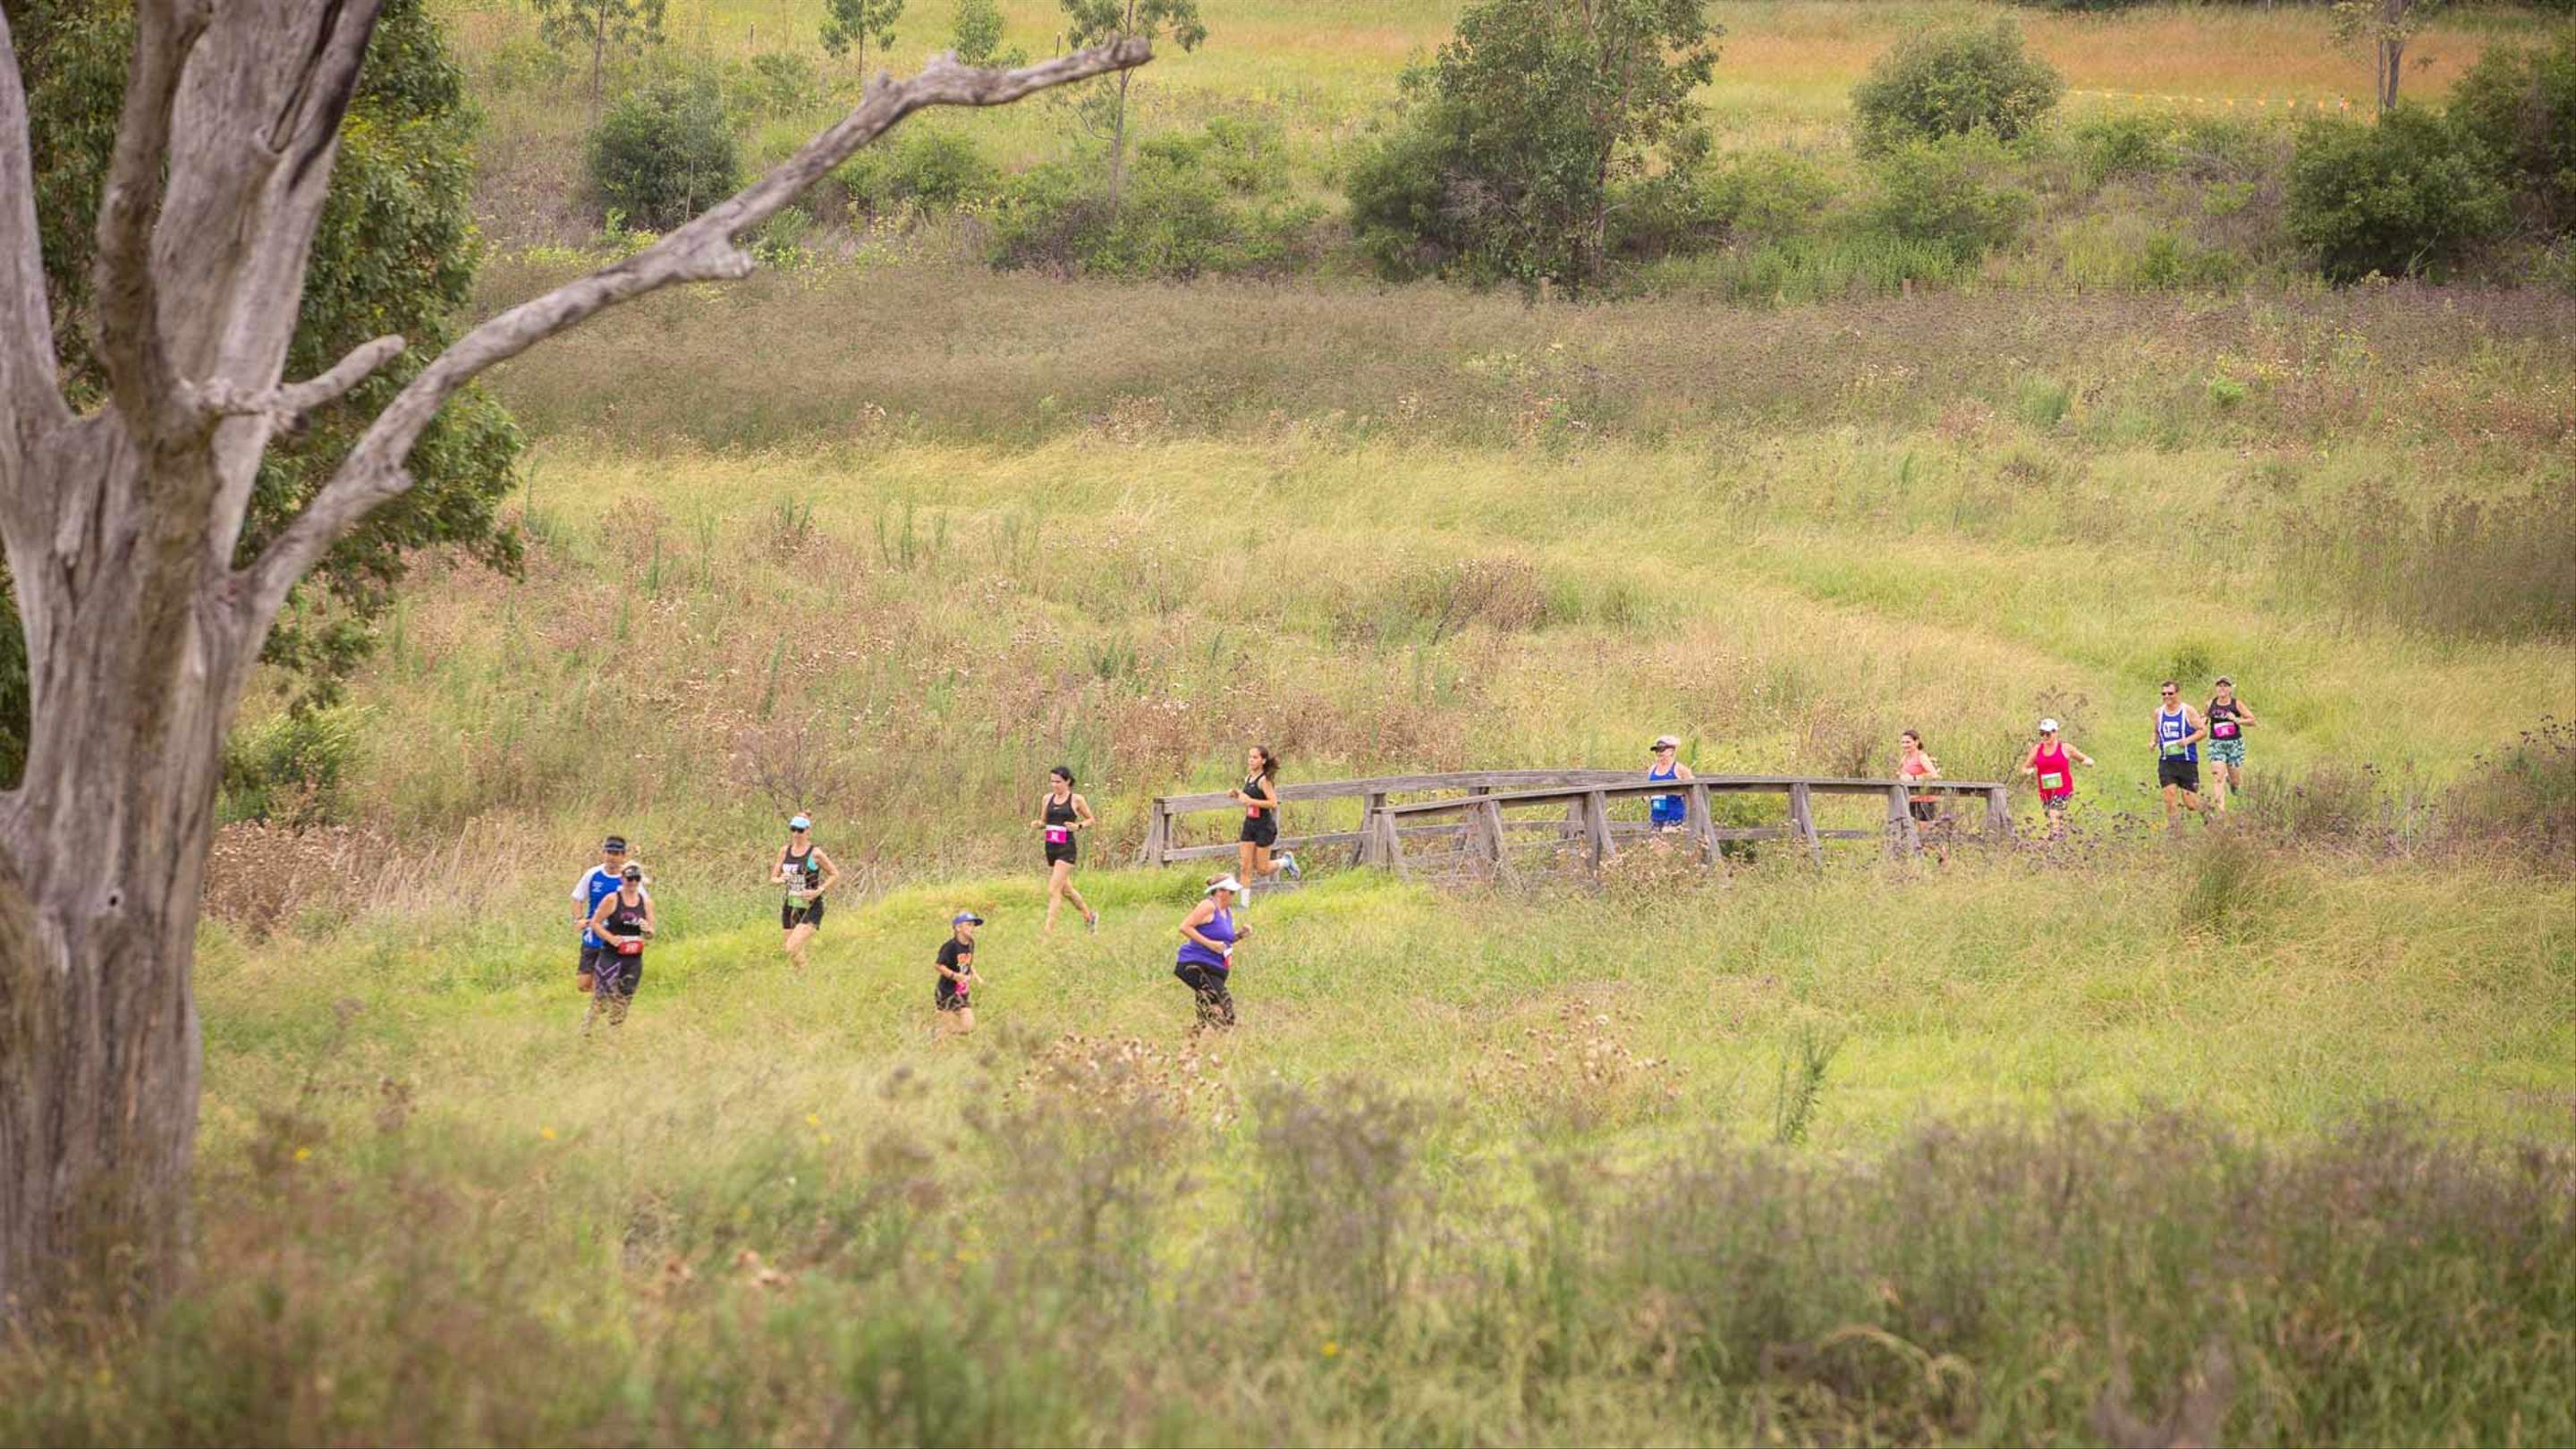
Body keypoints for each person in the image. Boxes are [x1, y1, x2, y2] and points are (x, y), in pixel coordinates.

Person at [581, 861, 655, 1034]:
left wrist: (647, 929)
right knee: (603, 997)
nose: (633, 883)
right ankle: (587, 1028)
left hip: (634, 957)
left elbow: (652, 932)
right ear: (622, 879)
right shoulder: (612, 899)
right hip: (611, 955)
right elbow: (595, 923)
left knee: (625, 997)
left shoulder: (646, 903)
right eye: (630, 879)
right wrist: (611, 938)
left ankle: (614, 1034)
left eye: (637, 879)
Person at [1174, 875, 1248, 1031]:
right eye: (1232, 892)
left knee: (1205, 1012)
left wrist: (1240, 935)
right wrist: (1210, 944)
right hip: (1196, 964)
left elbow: (1224, 941)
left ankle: (1195, 1043)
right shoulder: (1208, 906)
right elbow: (1185, 927)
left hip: (1216, 968)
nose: (1234, 896)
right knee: (1225, 1008)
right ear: (1220, 892)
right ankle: (1218, 1042)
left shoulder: (1227, 911)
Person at [1032, 767, 1099, 935]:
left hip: (1067, 848)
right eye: (1052, 781)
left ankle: (1047, 933)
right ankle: (1089, 917)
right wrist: (1038, 824)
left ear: (1067, 781)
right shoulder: (1047, 798)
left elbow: (1091, 819)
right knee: (1067, 890)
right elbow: (1044, 821)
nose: (1054, 785)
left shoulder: (1076, 799)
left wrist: (1078, 826)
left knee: (1053, 890)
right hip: (1051, 846)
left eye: (1058, 782)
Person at [773, 815, 841, 970]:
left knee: (792, 947)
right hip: (791, 905)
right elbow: (773, 878)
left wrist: (820, 890)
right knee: (792, 952)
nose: (796, 834)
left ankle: (806, 976)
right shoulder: (784, 851)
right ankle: (803, 978)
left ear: (808, 831)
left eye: (800, 830)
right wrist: (781, 879)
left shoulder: (815, 853)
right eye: (793, 829)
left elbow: (835, 874)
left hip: (811, 906)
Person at [1232, 745, 1297, 902]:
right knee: (1245, 867)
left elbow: (1273, 803)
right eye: (1250, 757)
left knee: (1262, 869)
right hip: (1249, 824)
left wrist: (1250, 800)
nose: (1251, 760)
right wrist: (1237, 794)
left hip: (1264, 827)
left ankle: (1286, 861)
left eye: (1255, 757)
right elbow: (1248, 799)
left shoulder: (1264, 780)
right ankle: (1244, 905)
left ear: (1263, 760)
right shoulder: (1248, 778)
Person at [568, 834, 631, 995]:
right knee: (583, 985)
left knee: (601, 982)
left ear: (623, 856)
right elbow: (577, 898)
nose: (612, 857)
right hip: (592, 935)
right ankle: (606, 998)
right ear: (604, 853)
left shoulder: (628, 878)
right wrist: (578, 919)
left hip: (615, 937)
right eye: (609, 852)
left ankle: (599, 1007)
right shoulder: (593, 874)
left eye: (616, 854)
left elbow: (642, 901)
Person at [2020, 719, 2094, 838]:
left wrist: (2088, 762)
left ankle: (2054, 842)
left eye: (2048, 734)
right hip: (2045, 791)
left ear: (2055, 733)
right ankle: (2060, 840)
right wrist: (2027, 771)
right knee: (2052, 818)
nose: (2045, 737)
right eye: (2042, 733)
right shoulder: (2037, 749)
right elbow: (2025, 766)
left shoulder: (2065, 748)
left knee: (2054, 813)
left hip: (2063, 789)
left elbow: (2083, 758)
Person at [2153, 681, 2209, 829]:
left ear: (2177, 693)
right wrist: (2153, 742)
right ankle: (2176, 833)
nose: (2166, 696)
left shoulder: (2187, 711)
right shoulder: (2158, 712)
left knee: (2190, 803)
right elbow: (2156, 731)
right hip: (2167, 762)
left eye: (2170, 693)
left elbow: (2203, 731)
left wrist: (2188, 741)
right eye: (2163, 694)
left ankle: (2208, 813)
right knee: (2169, 798)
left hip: (2187, 761)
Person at [2203, 676, 2258, 812]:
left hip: (2234, 745)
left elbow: (2252, 720)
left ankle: (2233, 784)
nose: (2222, 688)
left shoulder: (2236, 704)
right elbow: (2204, 717)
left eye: (2225, 686)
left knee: (2235, 781)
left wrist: (2237, 720)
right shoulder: (2210, 704)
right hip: (2216, 744)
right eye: (2219, 685)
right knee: (2217, 778)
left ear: (2230, 689)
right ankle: (2221, 812)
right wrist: (2201, 721)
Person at [1896, 729, 1948, 861]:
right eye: (1903, 742)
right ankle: (1914, 860)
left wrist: (1914, 778)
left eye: (1908, 742)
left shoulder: (1921, 757)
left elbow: (1934, 775)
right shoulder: (1904, 759)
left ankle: (1944, 858)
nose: (1905, 745)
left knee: (1926, 833)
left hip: (1924, 800)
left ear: (1916, 742)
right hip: (1910, 800)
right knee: (1909, 832)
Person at [935, 911, 983, 1036]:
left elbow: (967, 962)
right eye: (969, 925)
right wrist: (955, 976)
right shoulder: (950, 946)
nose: (972, 928)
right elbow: (938, 965)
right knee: (948, 1028)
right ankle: (938, 1036)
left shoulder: (971, 943)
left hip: (961, 992)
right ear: (958, 928)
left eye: (974, 925)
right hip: (946, 992)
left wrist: (977, 976)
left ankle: (940, 1032)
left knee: (969, 1027)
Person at [1647, 734, 1696, 833]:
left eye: (1662, 750)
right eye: (1657, 750)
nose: (1658, 753)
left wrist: (1692, 812)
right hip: (1656, 815)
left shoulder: (1680, 769)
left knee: (1669, 844)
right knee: (1654, 845)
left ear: (1671, 751)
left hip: (1673, 815)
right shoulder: (1652, 769)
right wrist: (1646, 797)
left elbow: (1694, 790)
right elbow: (1647, 790)